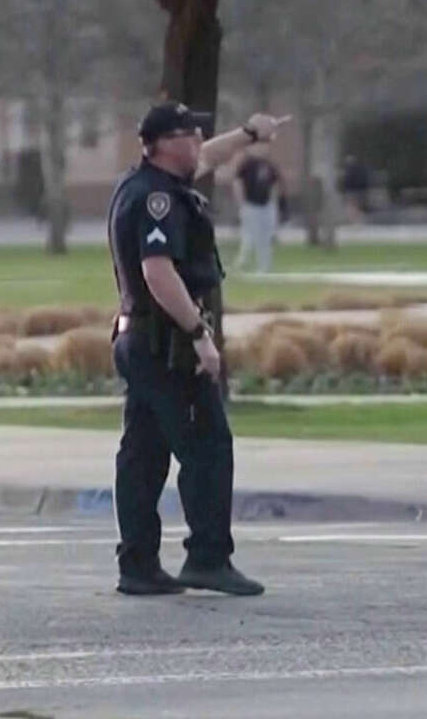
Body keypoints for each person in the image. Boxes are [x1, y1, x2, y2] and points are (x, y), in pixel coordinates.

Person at [106, 101, 287, 598]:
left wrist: (249, 134)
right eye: (188, 136)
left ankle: (138, 564)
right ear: (164, 144)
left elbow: (206, 157)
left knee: (143, 454)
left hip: (139, 337)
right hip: (165, 343)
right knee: (208, 446)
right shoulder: (157, 200)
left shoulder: (143, 184)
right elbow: (158, 272)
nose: (198, 145)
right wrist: (198, 334)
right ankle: (208, 557)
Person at [232, 142, 284, 273]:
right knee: (249, 235)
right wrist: (241, 203)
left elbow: (274, 186)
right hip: (251, 204)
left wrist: (274, 204)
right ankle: (242, 260)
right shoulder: (246, 165)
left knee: (265, 236)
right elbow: (238, 183)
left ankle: (264, 265)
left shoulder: (270, 166)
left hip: (266, 205)